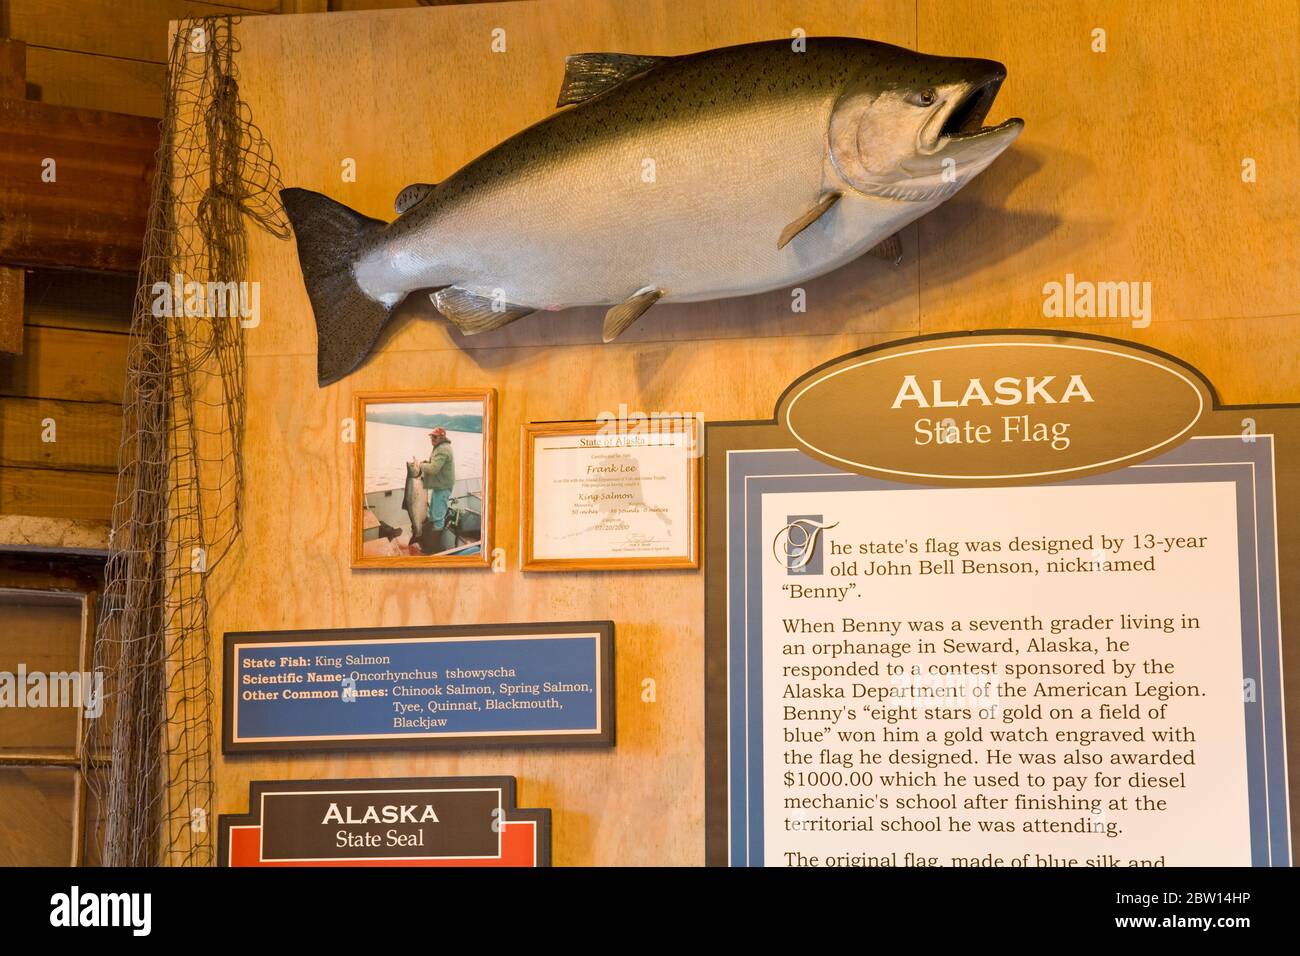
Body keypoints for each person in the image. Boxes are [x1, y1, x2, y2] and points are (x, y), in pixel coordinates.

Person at [421, 427, 456, 534]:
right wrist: (427, 462)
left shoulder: (442, 449)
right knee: (433, 512)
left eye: (435, 437)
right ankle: (431, 536)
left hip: (443, 487)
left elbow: (433, 469)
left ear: (442, 437)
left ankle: (434, 544)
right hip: (440, 485)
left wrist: (421, 465)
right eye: (431, 436)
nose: (432, 438)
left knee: (438, 517)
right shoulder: (440, 446)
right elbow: (436, 463)